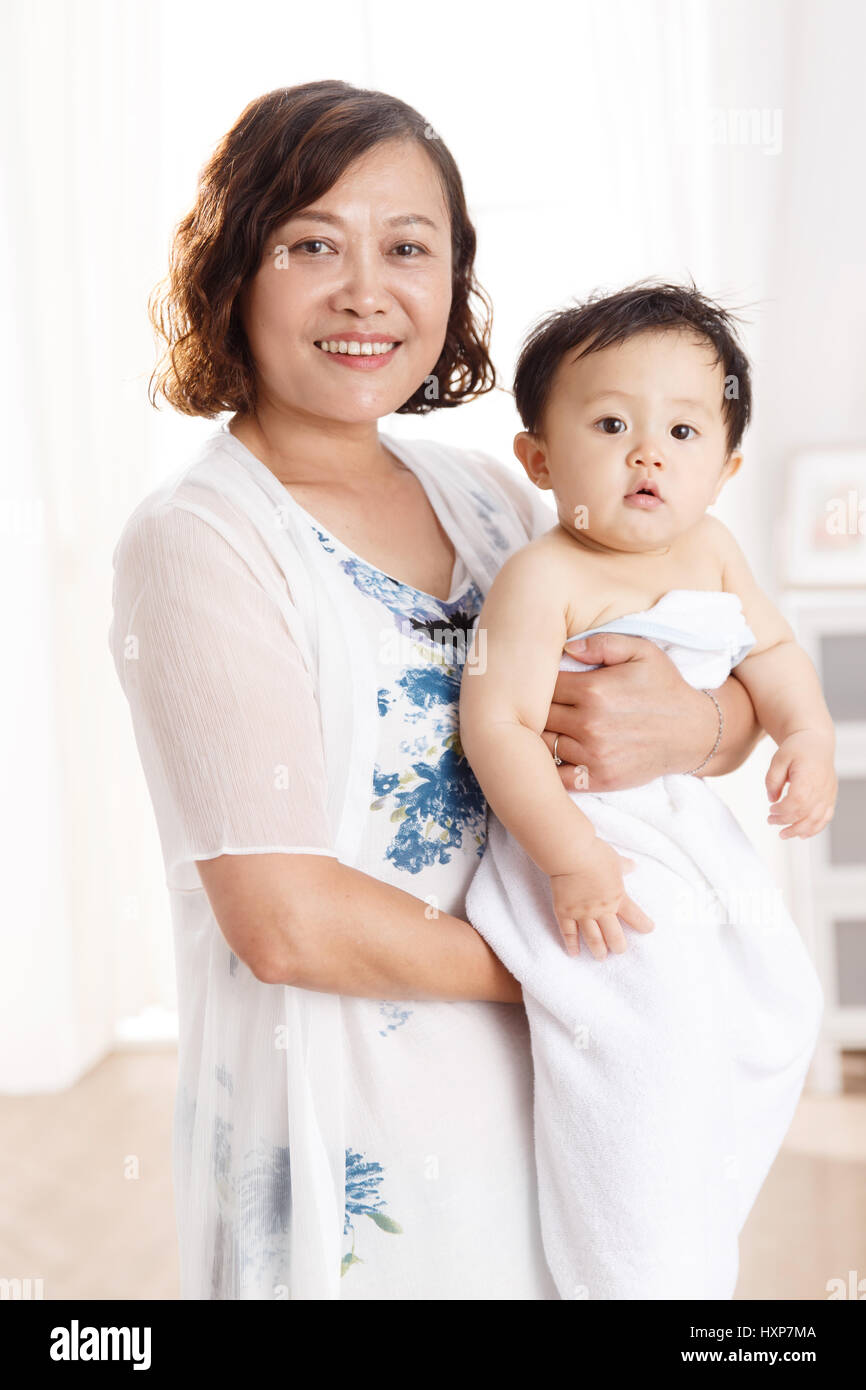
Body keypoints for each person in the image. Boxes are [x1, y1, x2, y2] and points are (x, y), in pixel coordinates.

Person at [109, 82, 766, 1300]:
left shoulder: (493, 496)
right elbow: (286, 919)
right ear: (232, 275)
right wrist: (618, 964)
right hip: (354, 1125)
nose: (367, 293)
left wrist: (707, 724)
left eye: (408, 248)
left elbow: (685, 683)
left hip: (563, 1102)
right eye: (311, 244)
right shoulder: (199, 540)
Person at [459, 282, 830, 1300]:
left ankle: (693, 1217)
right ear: (538, 459)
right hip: (577, 829)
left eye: (679, 429)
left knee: (776, 999)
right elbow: (493, 726)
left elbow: (773, 648)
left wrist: (805, 731)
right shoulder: (542, 577)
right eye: (610, 424)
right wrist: (572, 858)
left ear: (724, 465)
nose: (646, 454)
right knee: (646, 1016)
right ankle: (630, 1265)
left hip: (685, 825)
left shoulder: (710, 550)